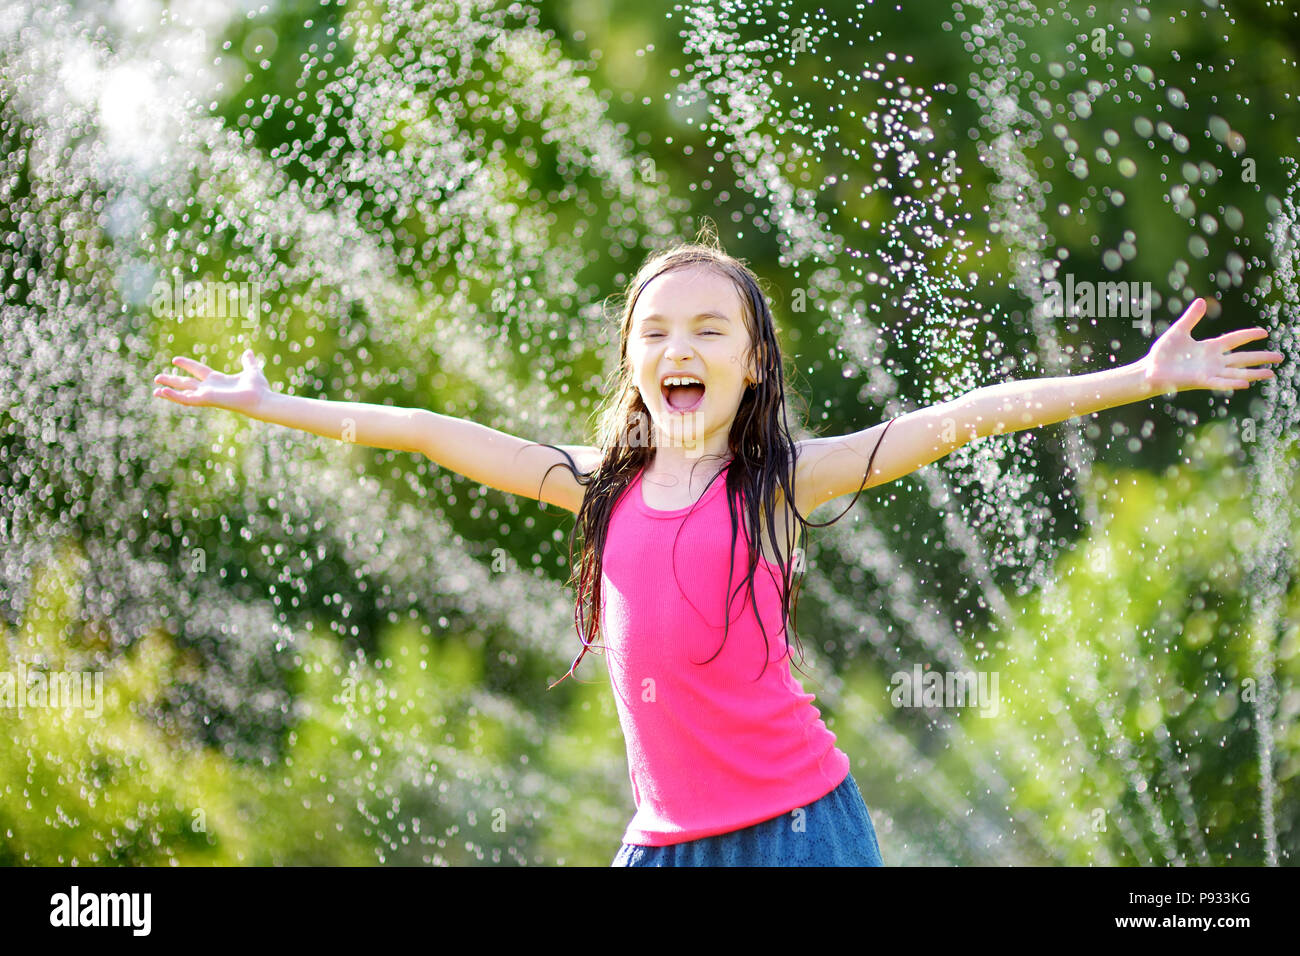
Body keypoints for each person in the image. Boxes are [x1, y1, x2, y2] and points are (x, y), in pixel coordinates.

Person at [152, 227, 1282, 866]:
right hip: (665, 843)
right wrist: (273, 402)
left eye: (708, 329)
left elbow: (965, 415)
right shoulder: (597, 485)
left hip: (800, 831)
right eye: (655, 331)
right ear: (634, 363)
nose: (678, 345)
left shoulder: (778, 482)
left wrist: (1135, 377)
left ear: (751, 364)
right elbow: (436, 436)